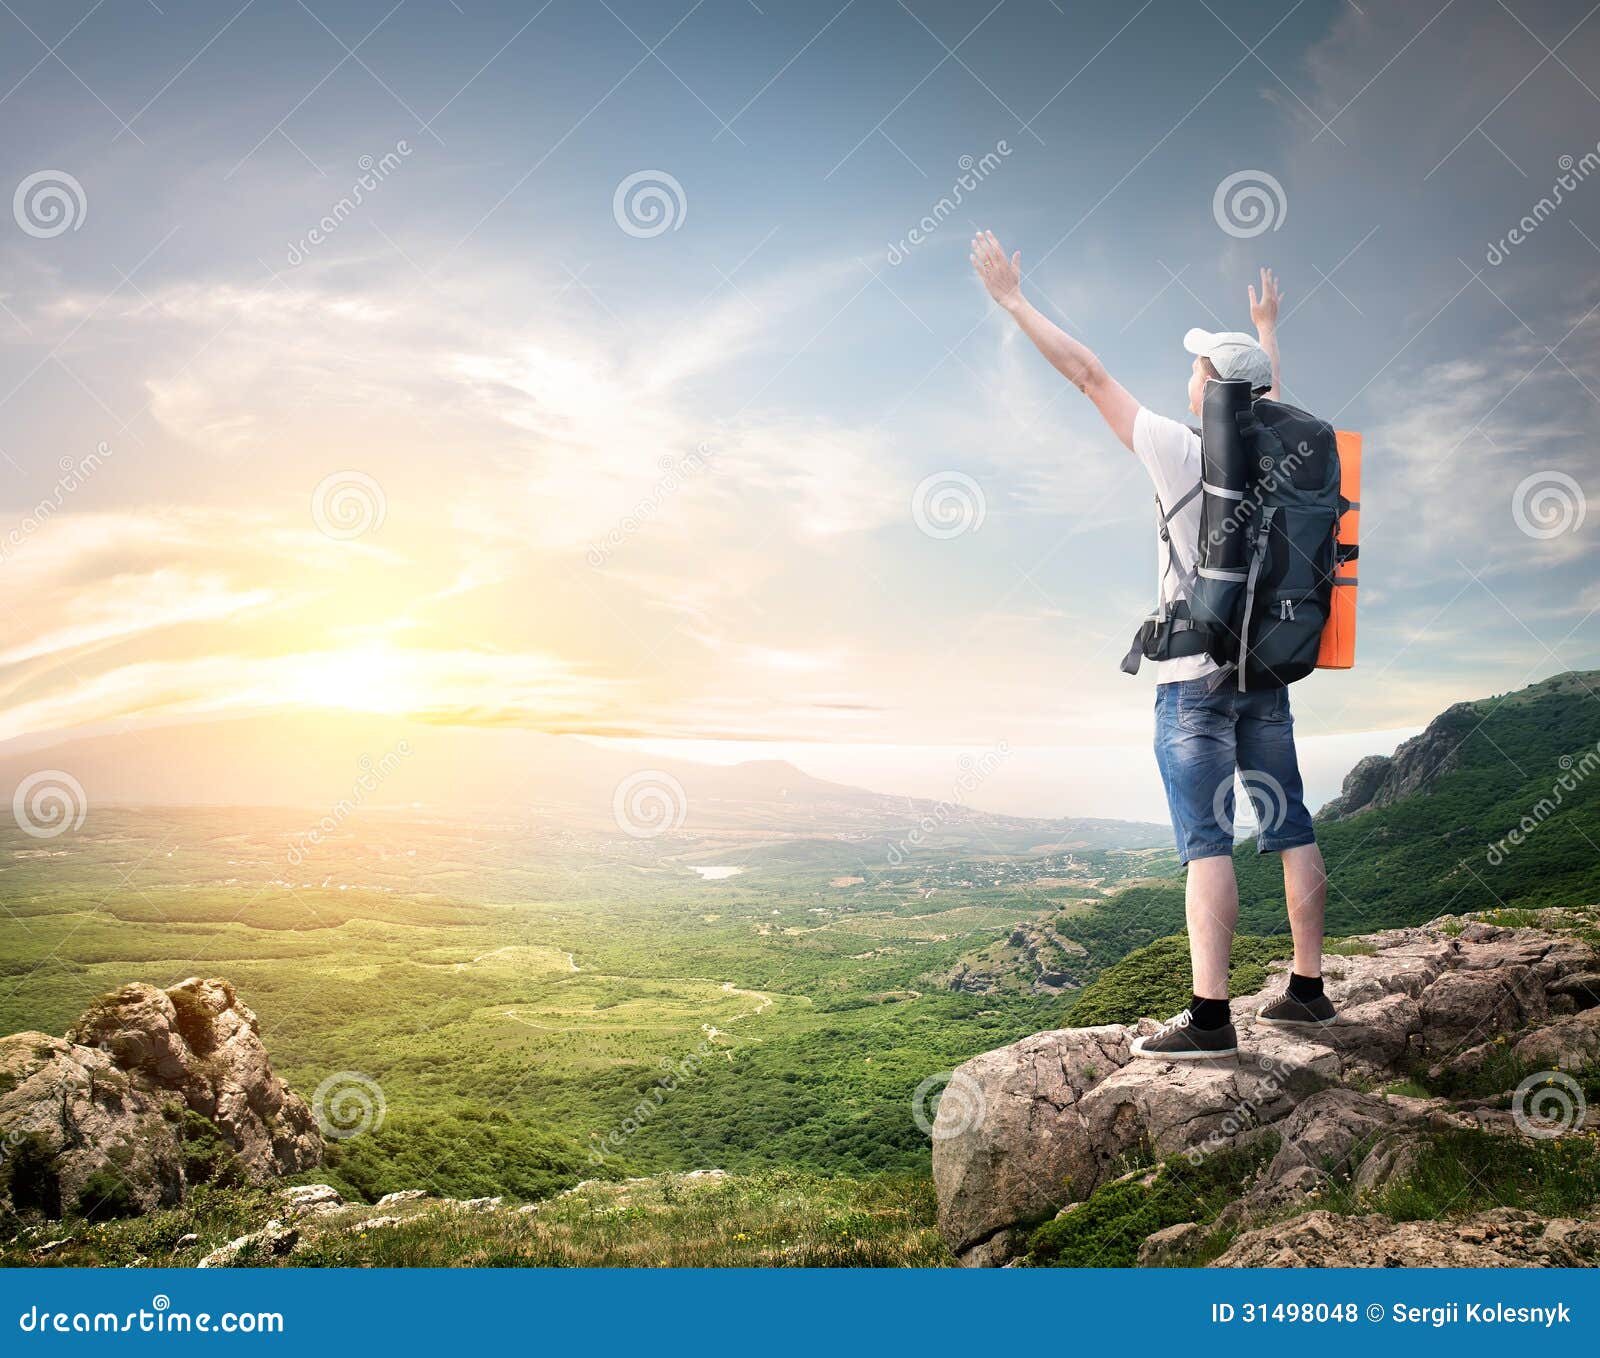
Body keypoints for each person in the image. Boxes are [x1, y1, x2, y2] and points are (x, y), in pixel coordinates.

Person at [969, 230, 1335, 1060]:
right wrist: (1266, 332)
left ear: (1210, 386)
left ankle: (1210, 1020)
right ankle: (1308, 992)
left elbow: (1089, 374)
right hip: (1267, 663)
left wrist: (1014, 302)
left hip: (1192, 677)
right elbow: (1267, 394)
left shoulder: (1177, 447)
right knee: (1291, 823)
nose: (1190, 371)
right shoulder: (1290, 455)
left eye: (1201, 365)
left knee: (1208, 840)